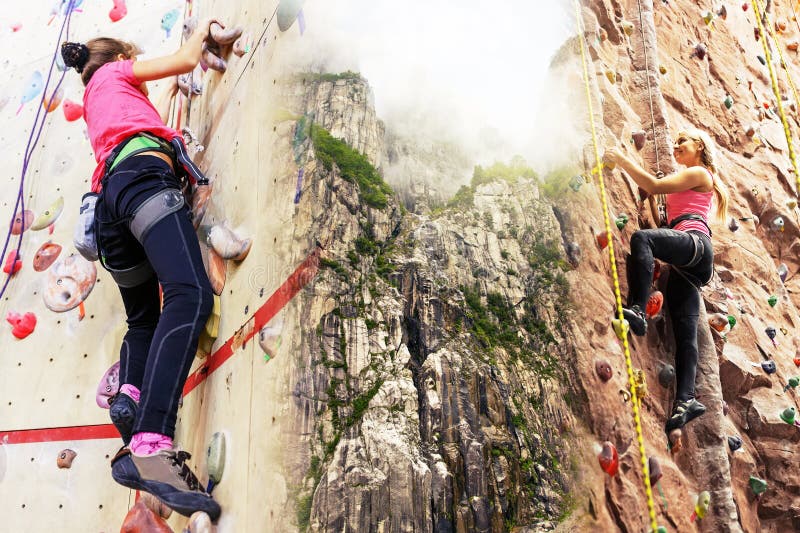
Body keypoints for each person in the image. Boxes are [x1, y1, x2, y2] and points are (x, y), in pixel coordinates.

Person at [61, 20, 220, 520]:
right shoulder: (118, 73)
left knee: (144, 320)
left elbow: (150, 102)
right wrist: (205, 35)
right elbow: (188, 59)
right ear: (121, 58)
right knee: (190, 295)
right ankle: (150, 446)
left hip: (111, 209)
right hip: (143, 180)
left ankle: (130, 393)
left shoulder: (95, 101)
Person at [603, 129, 728, 435]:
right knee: (686, 332)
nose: (675, 147)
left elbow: (655, 184)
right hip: (691, 262)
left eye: (681, 142)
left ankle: (636, 308)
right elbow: (665, 225)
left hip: (694, 244)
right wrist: (652, 203)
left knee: (642, 239)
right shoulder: (692, 183)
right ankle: (686, 400)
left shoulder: (700, 173)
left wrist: (621, 160)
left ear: (699, 146)